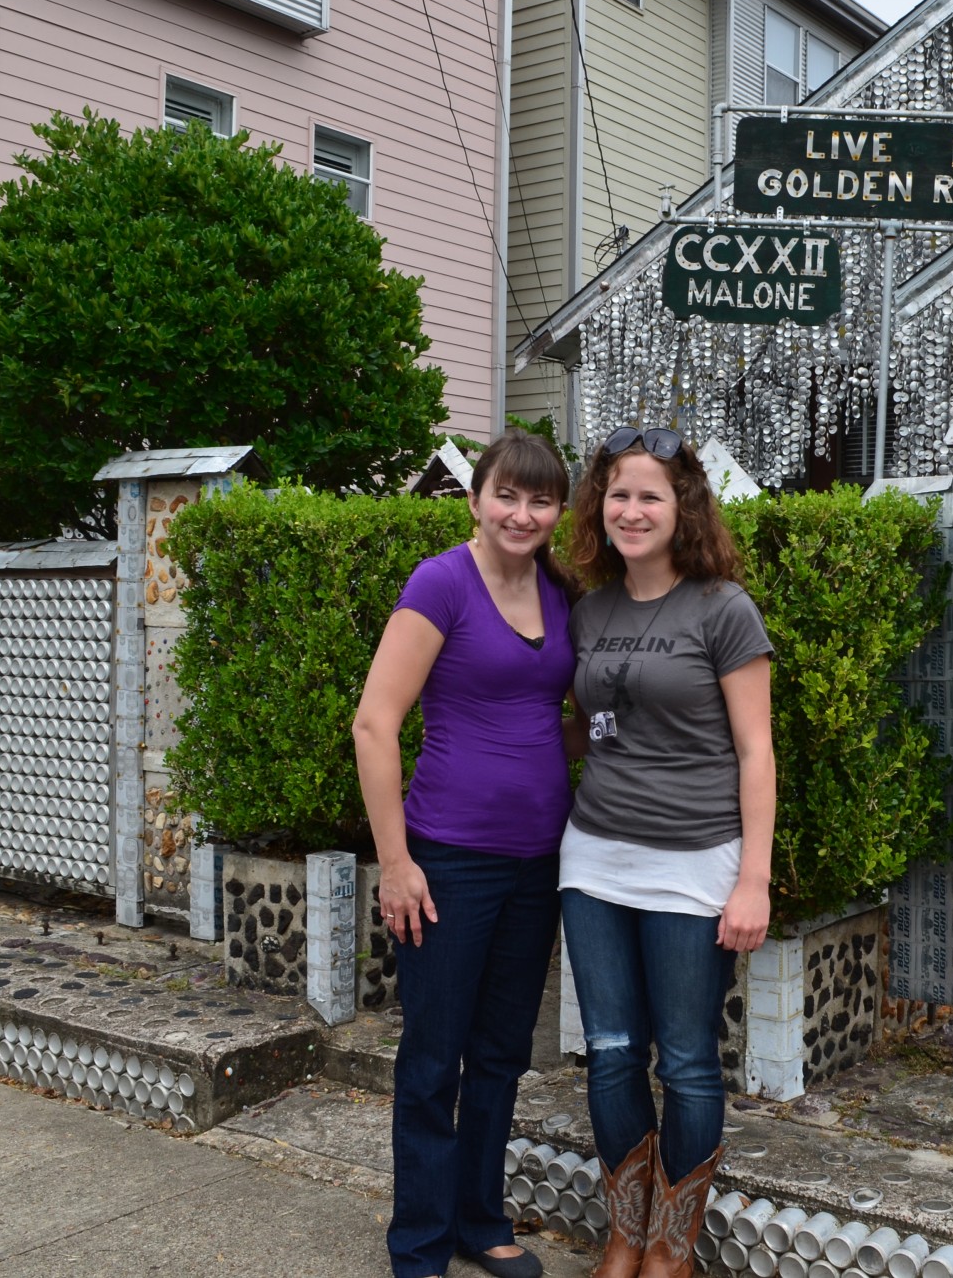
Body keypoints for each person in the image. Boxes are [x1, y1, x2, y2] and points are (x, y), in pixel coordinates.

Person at [352, 428, 581, 1278]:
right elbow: (375, 724)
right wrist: (397, 862)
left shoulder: (560, 590)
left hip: (537, 864)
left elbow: (550, 716)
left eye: (541, 499)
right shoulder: (441, 582)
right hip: (448, 859)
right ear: (476, 499)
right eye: (507, 496)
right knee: (432, 1055)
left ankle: (480, 1220)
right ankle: (418, 1239)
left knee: (500, 1052)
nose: (523, 513)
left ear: (559, 511)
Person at [560, 425, 776, 1278]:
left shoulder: (723, 608)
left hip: (695, 861)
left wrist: (752, 878)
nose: (633, 509)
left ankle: (670, 1249)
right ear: (600, 506)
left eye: (651, 494)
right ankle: (623, 1234)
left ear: (681, 506)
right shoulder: (589, 610)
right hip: (595, 858)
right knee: (612, 1051)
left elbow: (756, 749)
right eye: (619, 493)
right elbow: (592, 730)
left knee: (687, 1060)